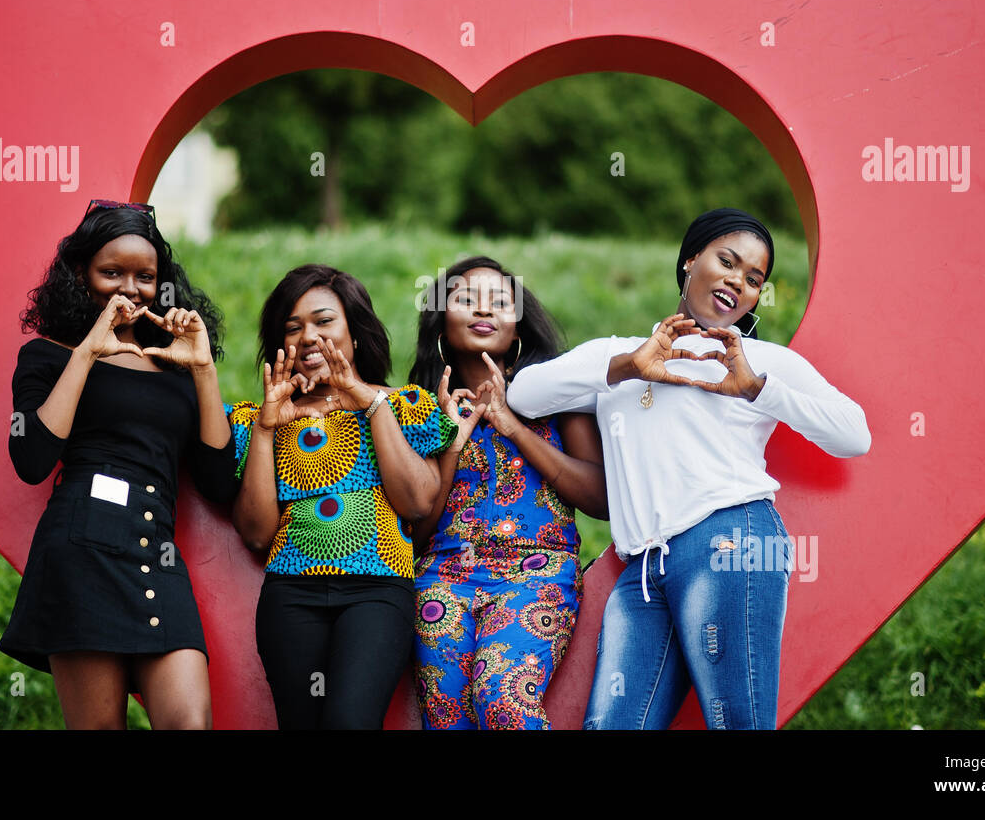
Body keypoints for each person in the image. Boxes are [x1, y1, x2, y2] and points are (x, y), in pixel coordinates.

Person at [506, 208, 871, 730]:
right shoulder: (618, 355)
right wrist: (631, 365)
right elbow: (524, 394)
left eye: (753, 278)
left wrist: (757, 388)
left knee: (736, 722)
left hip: (728, 540)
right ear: (690, 260)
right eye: (726, 261)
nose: (737, 282)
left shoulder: (760, 362)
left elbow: (853, 433)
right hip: (643, 574)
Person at [0, 199, 237, 730]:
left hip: (158, 553)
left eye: (145, 276)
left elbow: (221, 483)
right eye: (112, 272)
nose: (129, 287)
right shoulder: (49, 356)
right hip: (81, 552)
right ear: (81, 276)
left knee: (189, 722)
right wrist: (88, 351)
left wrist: (202, 369)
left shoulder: (174, 365)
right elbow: (32, 458)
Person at [226, 264, 457, 729]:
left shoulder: (404, 405)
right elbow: (254, 534)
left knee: (350, 721)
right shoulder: (262, 418)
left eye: (323, 320)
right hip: (290, 594)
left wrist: (367, 400)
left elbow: (416, 504)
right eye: (293, 328)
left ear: (355, 330)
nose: (308, 336)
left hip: (377, 590)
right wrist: (267, 428)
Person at [406, 256, 607, 729]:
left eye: (501, 302)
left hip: (536, 574)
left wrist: (512, 425)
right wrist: (452, 441)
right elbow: (414, 531)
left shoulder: (557, 398)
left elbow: (599, 499)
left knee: (502, 697)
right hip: (443, 578)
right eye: (466, 299)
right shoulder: (418, 410)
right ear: (441, 323)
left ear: (517, 330)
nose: (484, 310)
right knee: (447, 719)